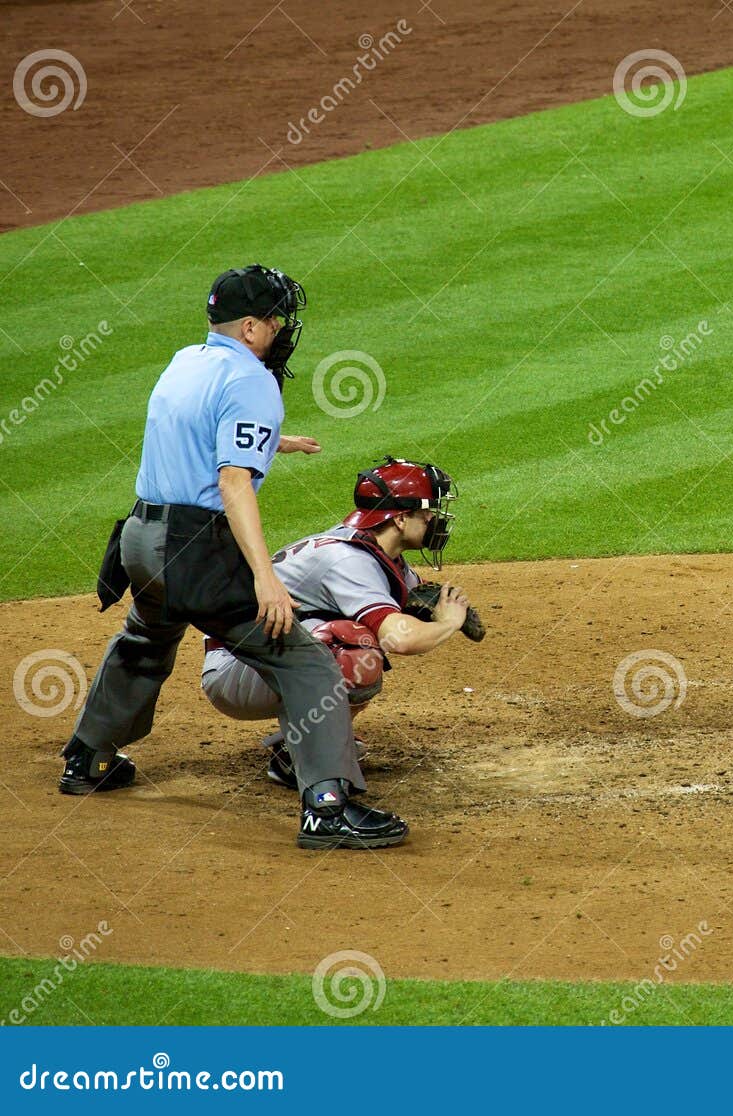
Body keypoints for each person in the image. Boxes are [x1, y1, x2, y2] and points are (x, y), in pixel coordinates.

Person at [62, 264, 409, 850]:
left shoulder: (185, 361)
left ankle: (87, 758)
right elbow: (232, 482)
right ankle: (328, 808)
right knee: (306, 663)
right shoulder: (253, 381)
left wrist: (277, 439)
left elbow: (191, 434)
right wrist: (265, 578)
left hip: (141, 541)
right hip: (197, 548)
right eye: (274, 319)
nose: (281, 329)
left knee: (146, 637)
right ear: (249, 326)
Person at [200, 457, 472, 789]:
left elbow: (407, 605)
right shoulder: (349, 561)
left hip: (266, 658)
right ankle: (301, 757)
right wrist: (448, 623)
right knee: (354, 648)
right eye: (427, 511)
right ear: (400, 519)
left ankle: (301, 745)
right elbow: (402, 639)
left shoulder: (376, 552)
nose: (434, 518)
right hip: (234, 668)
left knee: (358, 637)